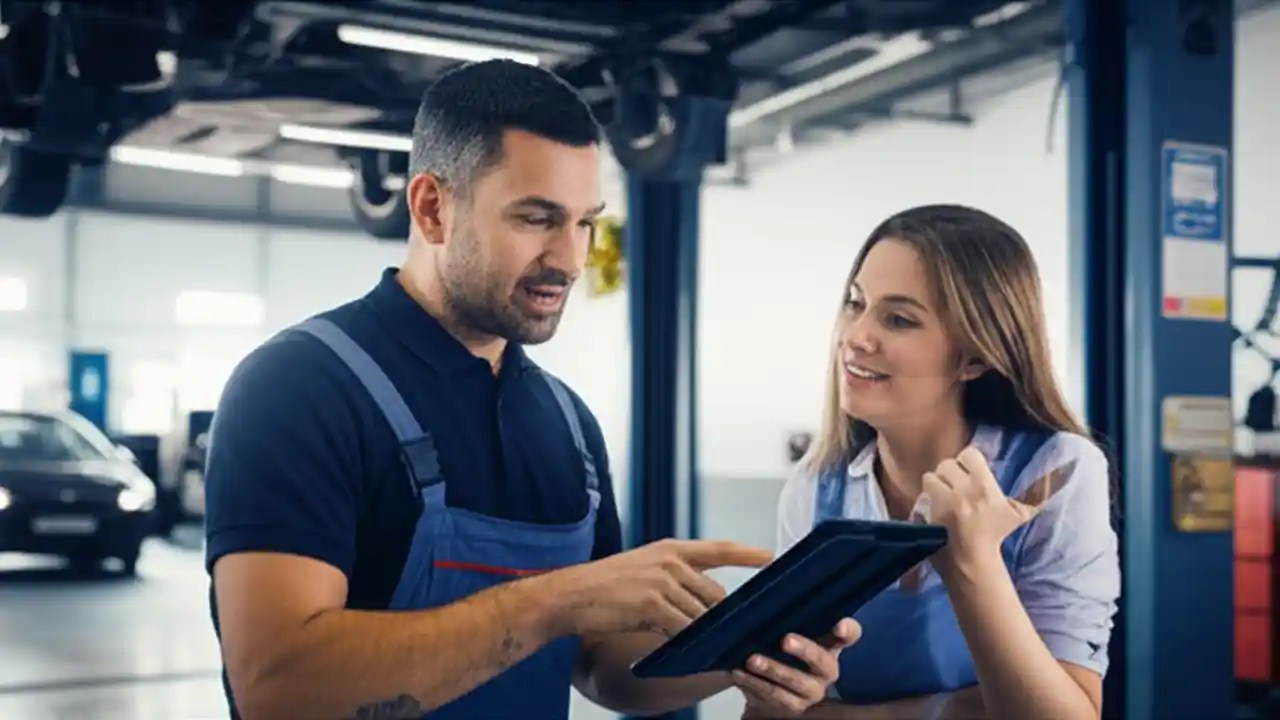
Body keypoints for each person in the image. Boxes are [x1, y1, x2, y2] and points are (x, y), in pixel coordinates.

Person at [204, 59, 858, 720]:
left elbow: (603, 666)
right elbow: (278, 686)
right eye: (536, 219)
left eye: (583, 223)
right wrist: (551, 600)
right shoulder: (297, 389)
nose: (571, 260)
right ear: (432, 208)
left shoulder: (567, 424)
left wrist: (746, 652)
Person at [776, 205, 1120, 719]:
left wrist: (973, 561)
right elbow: (786, 708)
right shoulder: (815, 490)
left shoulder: (1056, 472)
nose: (855, 336)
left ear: (974, 357)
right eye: (856, 303)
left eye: (898, 319)